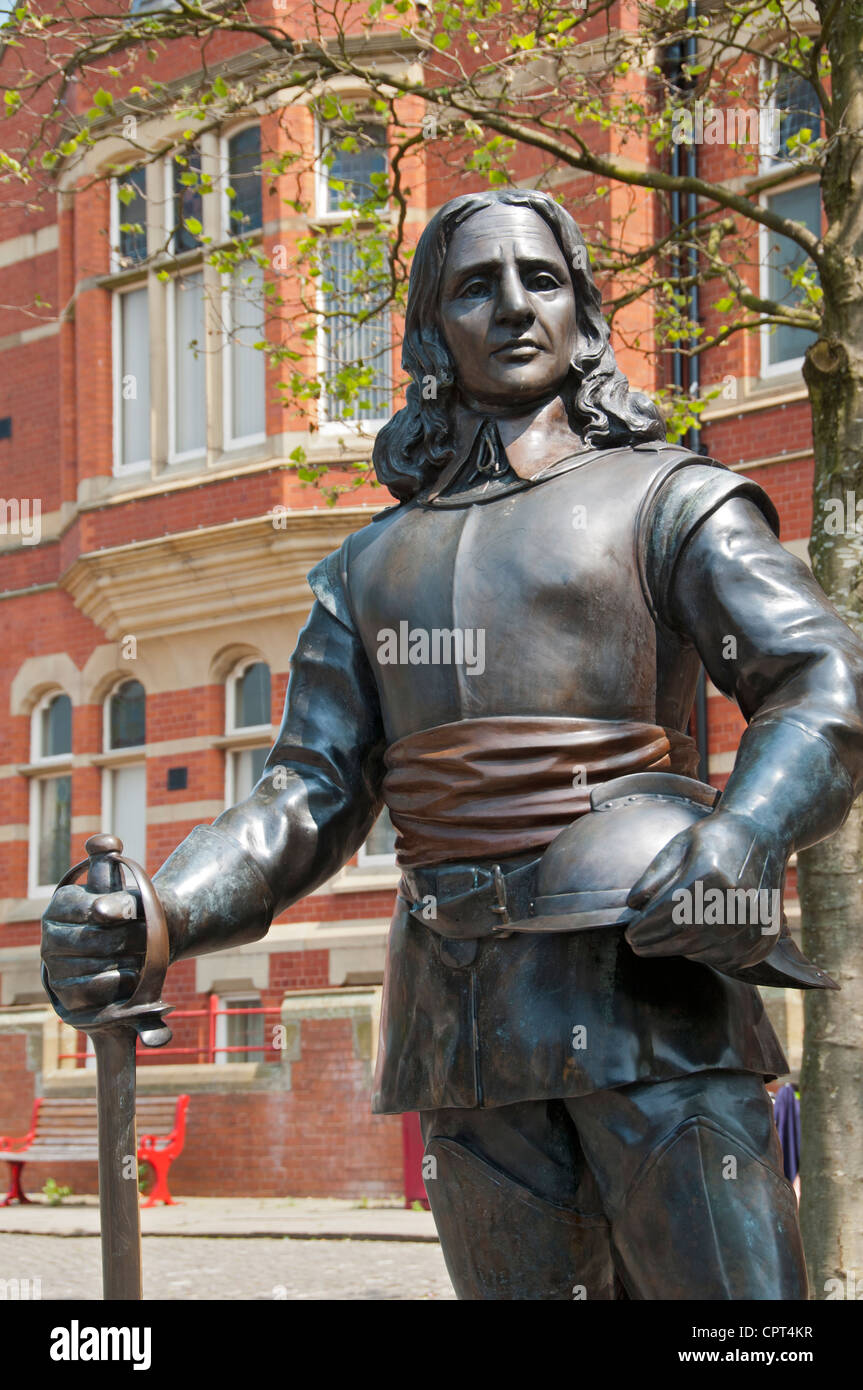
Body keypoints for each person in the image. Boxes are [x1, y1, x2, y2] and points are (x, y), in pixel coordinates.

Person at [42, 190, 863, 1299]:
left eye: (542, 279)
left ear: (581, 312)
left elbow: (819, 677)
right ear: (431, 329)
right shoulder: (366, 567)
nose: (515, 306)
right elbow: (303, 794)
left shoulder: (674, 500)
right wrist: (161, 911)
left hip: (653, 1006)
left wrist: (748, 833)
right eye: (476, 286)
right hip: (465, 1036)